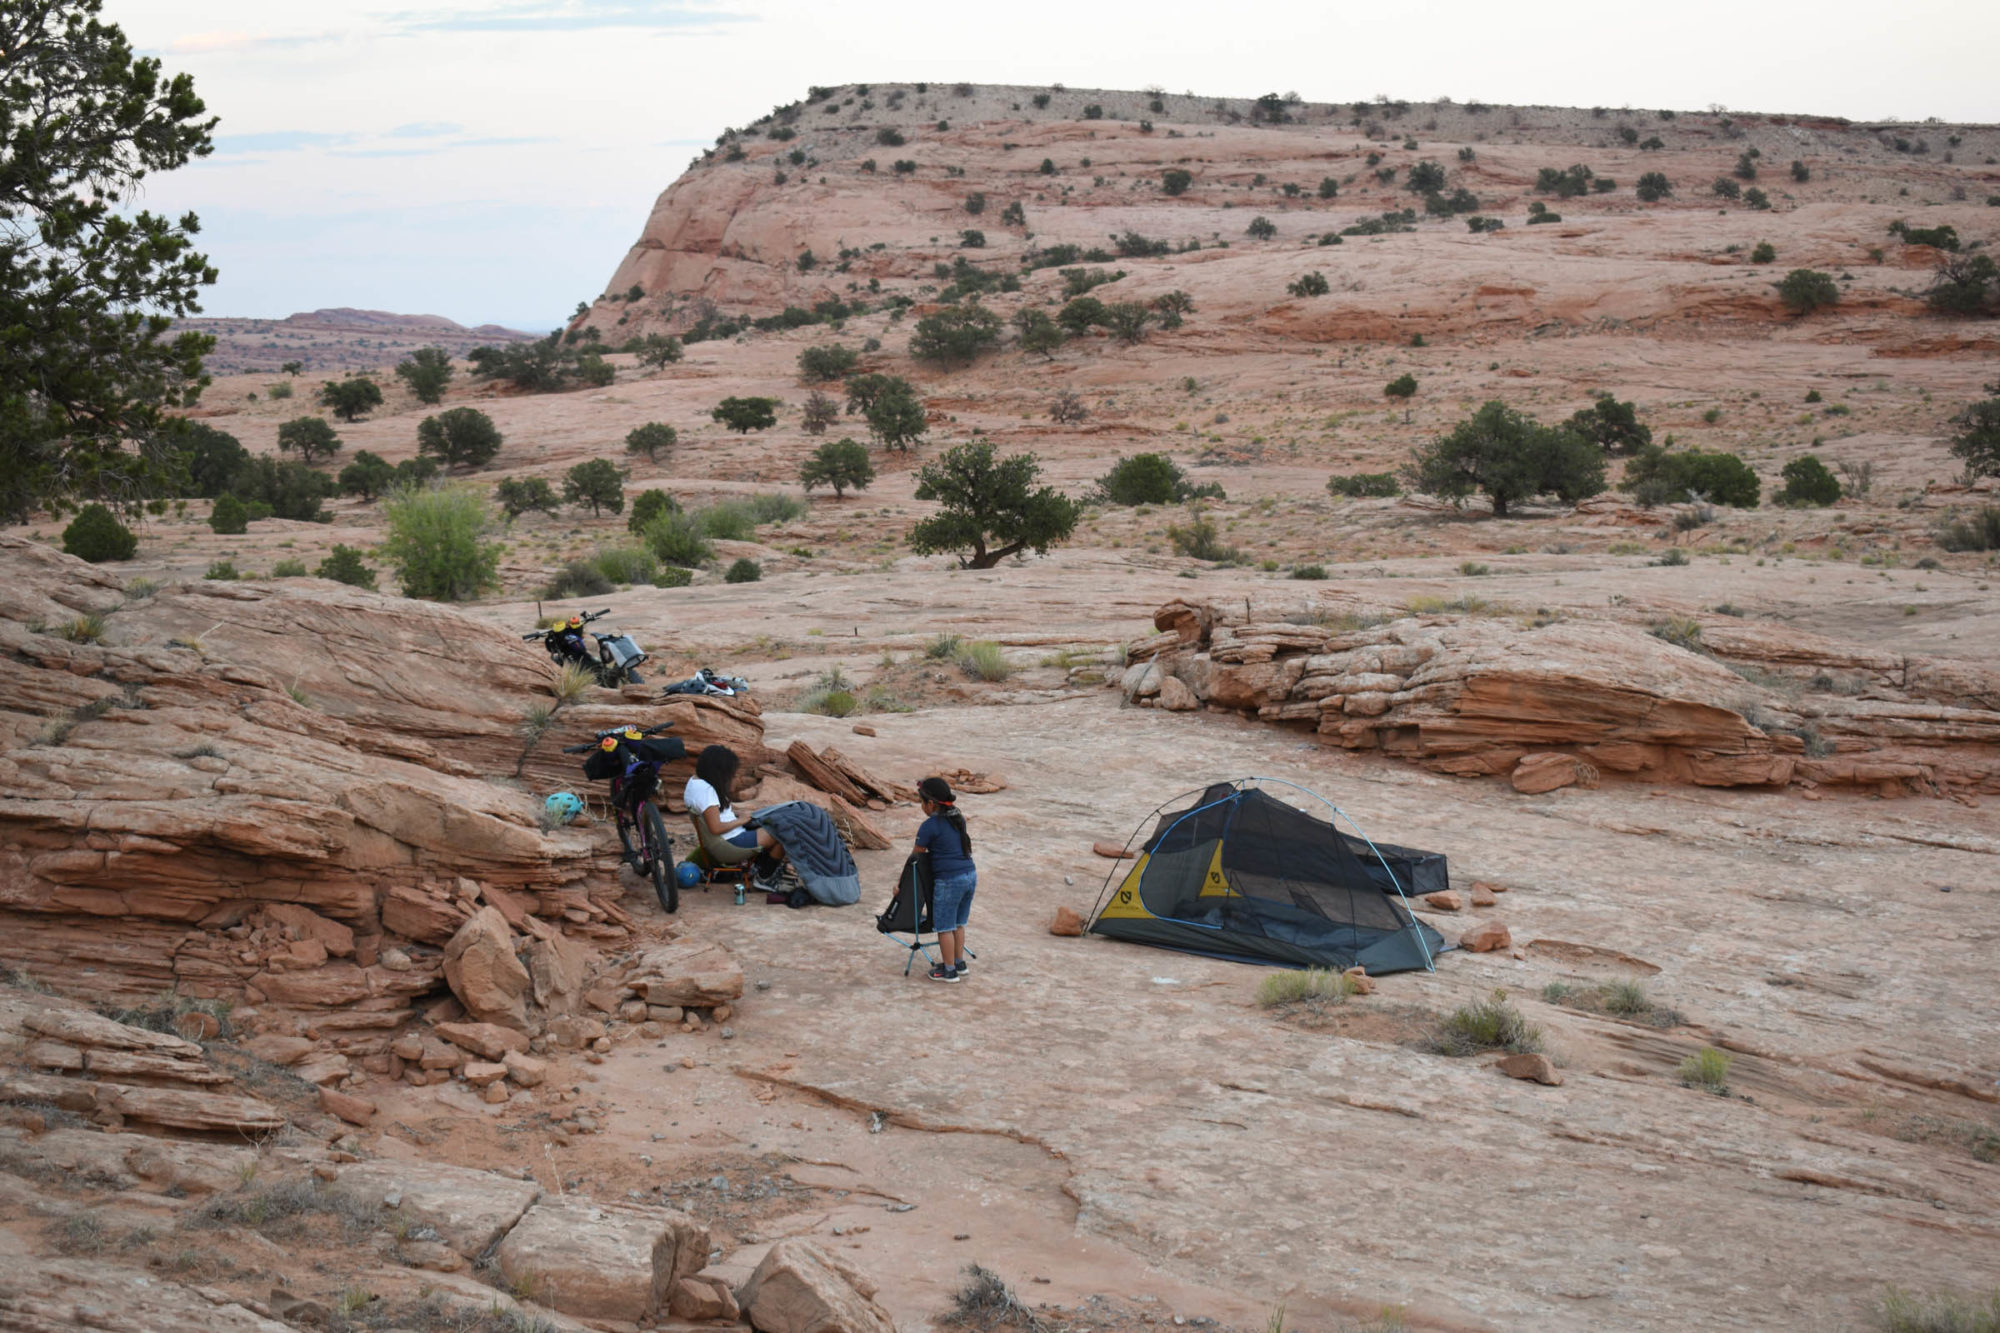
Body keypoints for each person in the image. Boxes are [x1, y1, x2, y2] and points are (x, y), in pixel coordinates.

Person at [685, 745, 786, 889]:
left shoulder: (695, 782)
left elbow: (714, 813)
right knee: (783, 833)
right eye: (731, 774)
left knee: (771, 822)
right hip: (730, 843)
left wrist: (738, 814)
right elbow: (716, 828)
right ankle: (764, 878)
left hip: (725, 839)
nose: (733, 778)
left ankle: (758, 868)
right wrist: (741, 820)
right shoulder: (707, 791)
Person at [913, 776, 975, 983]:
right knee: (958, 923)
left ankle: (949, 971)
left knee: (944, 927)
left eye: (922, 802)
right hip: (970, 875)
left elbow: (915, 859)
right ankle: (959, 963)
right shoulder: (958, 818)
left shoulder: (929, 826)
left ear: (931, 804)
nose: (922, 807)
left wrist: (901, 885)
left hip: (950, 881)